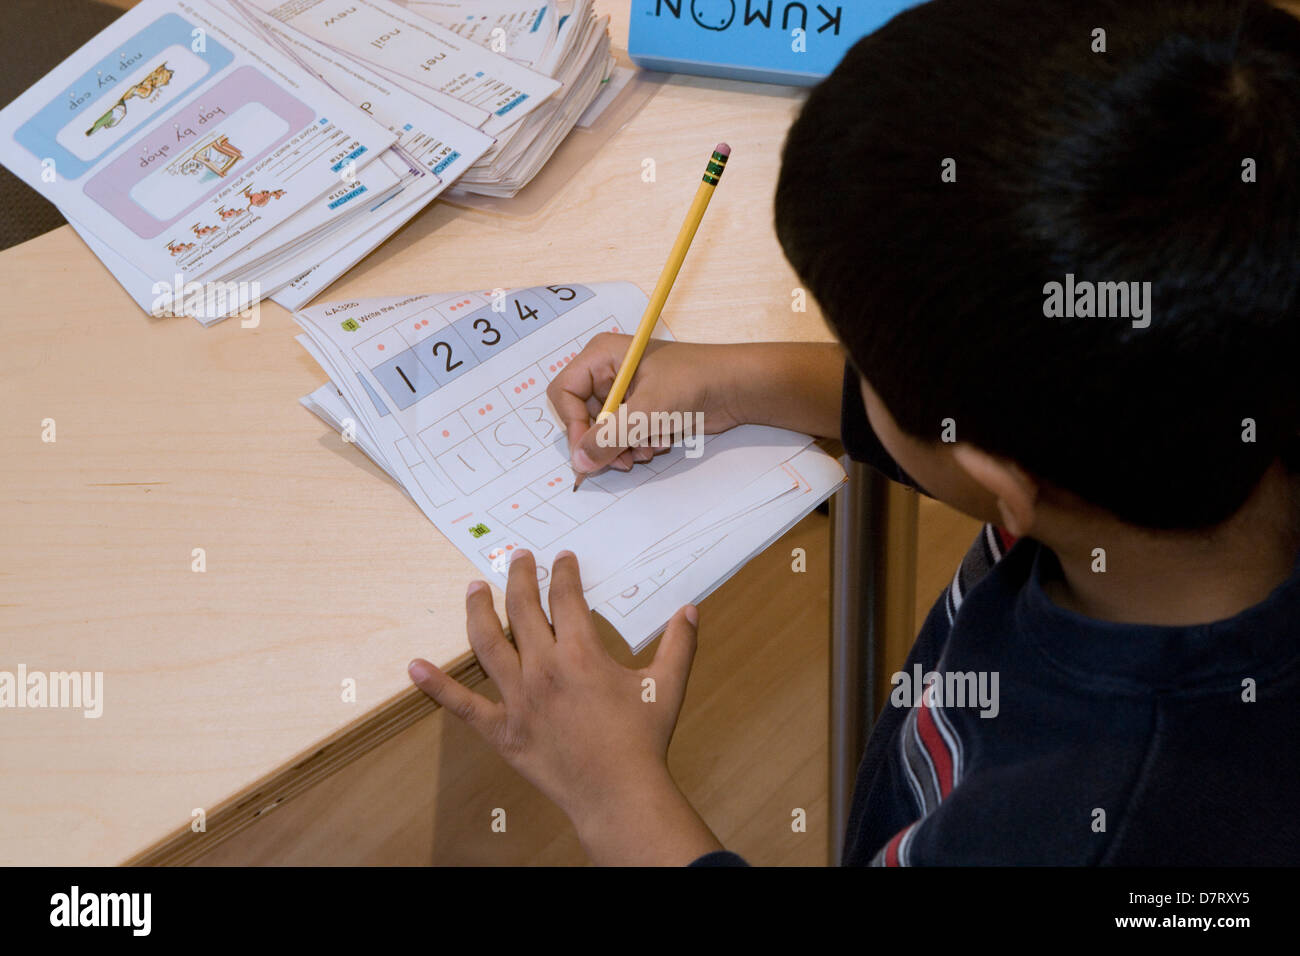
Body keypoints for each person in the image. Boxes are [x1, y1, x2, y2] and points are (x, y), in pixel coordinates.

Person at [408, 0, 1300, 865]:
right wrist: (733, 381)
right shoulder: (1217, 406)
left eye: (863, 365)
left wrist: (614, 794)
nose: (851, 370)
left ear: (1002, 474)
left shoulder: (1090, 826)